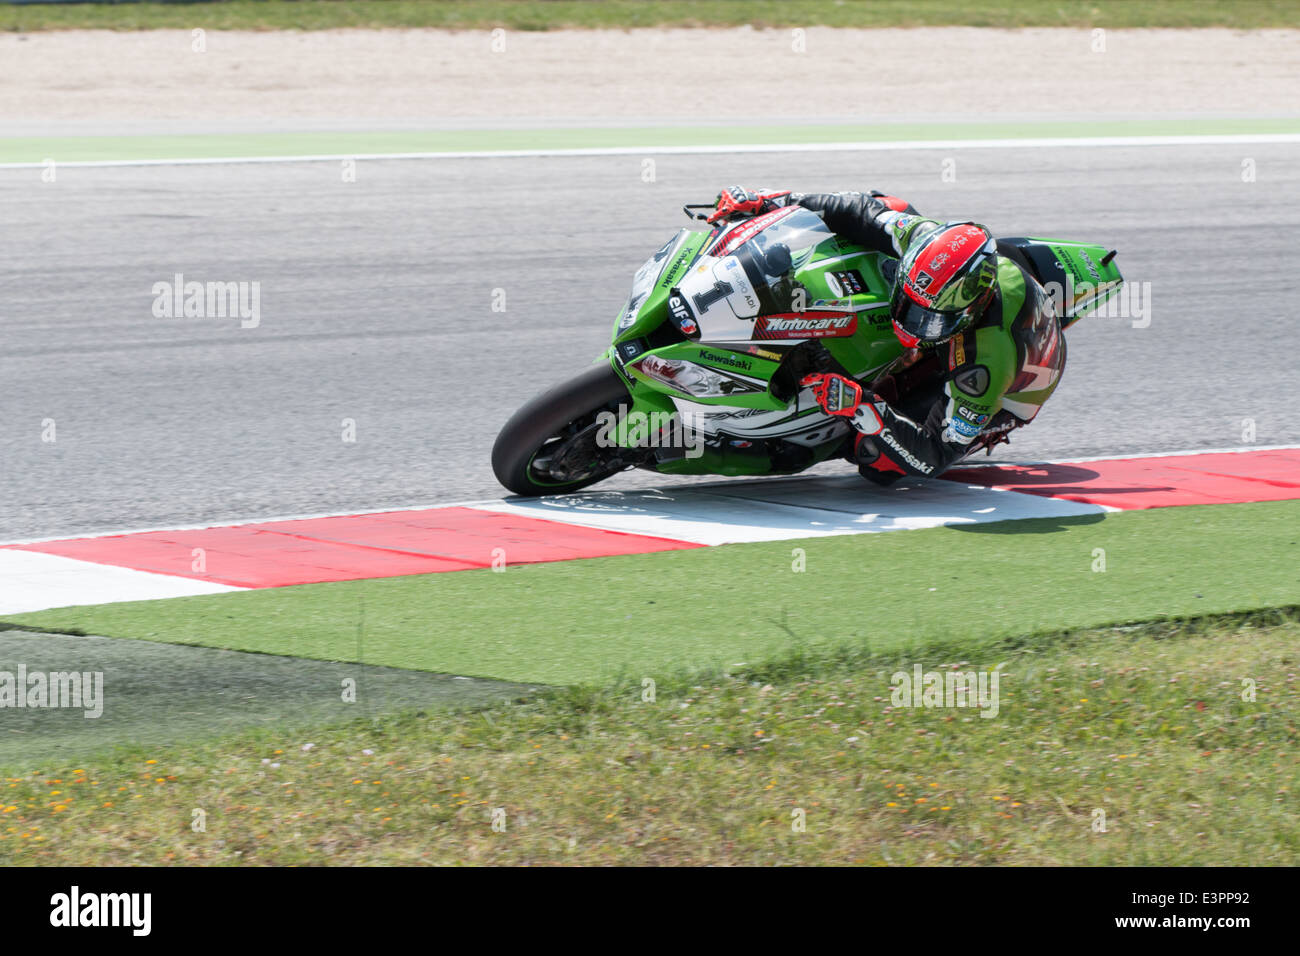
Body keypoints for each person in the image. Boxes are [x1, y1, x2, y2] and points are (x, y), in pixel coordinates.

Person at [707, 186, 1066, 483]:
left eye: (929, 319)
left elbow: (934, 455)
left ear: (969, 312)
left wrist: (863, 406)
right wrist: (771, 202)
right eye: (911, 307)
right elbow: (854, 210)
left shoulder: (983, 366)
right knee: (885, 206)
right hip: (989, 294)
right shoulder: (921, 237)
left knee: (875, 459)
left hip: (1018, 383)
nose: (912, 324)